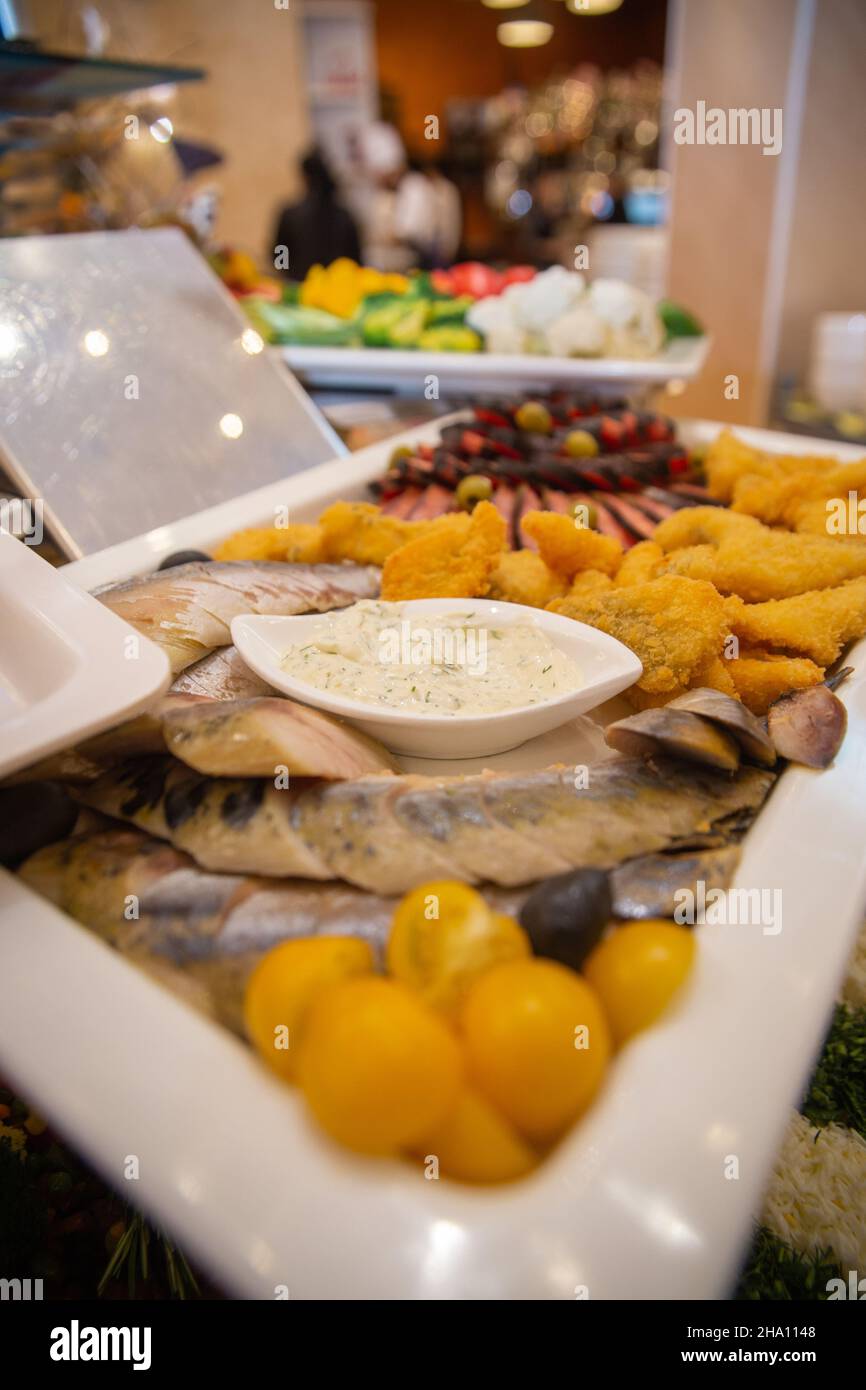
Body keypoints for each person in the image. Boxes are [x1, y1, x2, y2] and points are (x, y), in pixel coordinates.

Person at [272, 148, 361, 281]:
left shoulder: (290, 214)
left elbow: (280, 255)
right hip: (338, 289)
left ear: (304, 176)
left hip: (299, 288)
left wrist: (286, 275)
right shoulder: (344, 216)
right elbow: (356, 260)